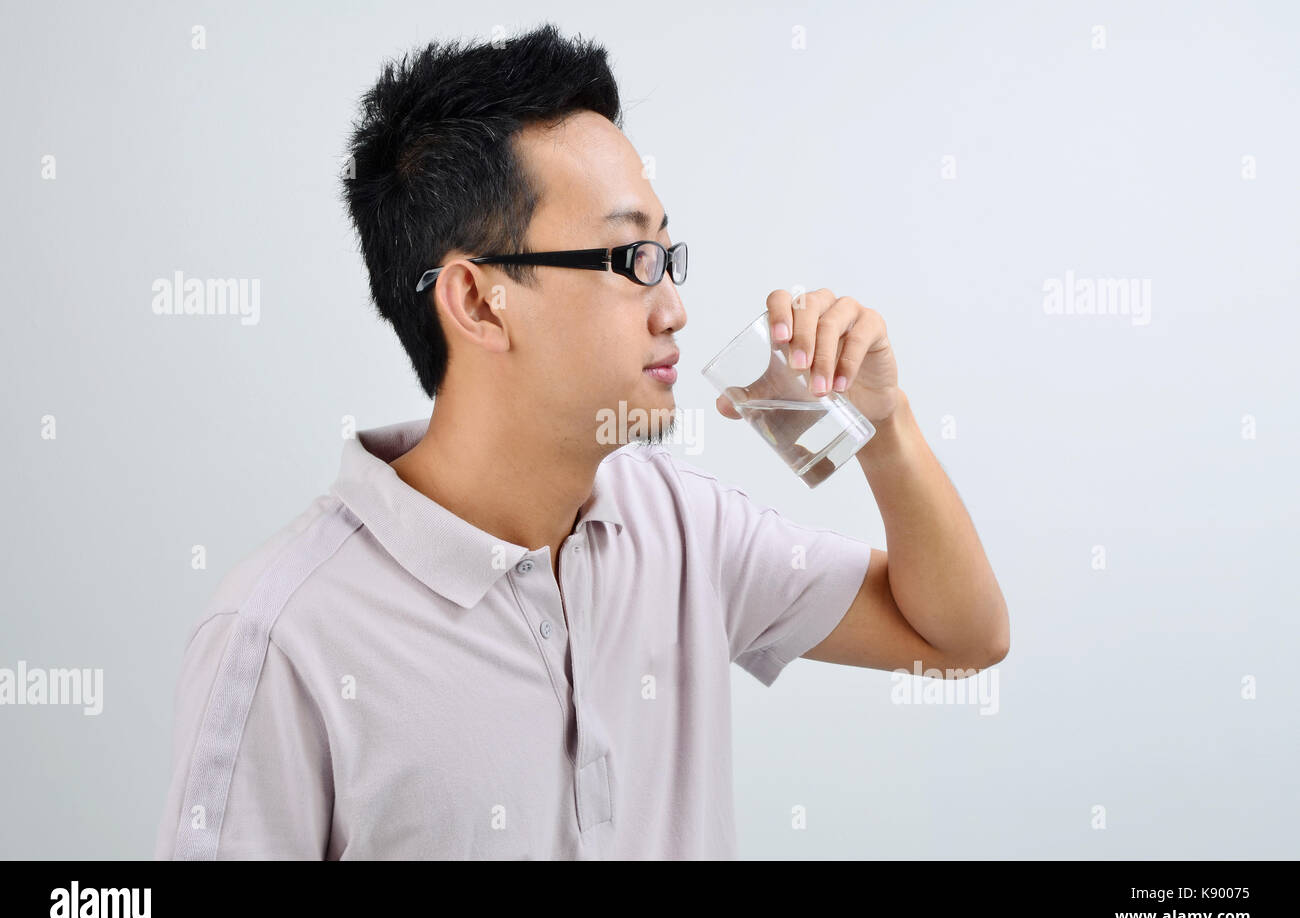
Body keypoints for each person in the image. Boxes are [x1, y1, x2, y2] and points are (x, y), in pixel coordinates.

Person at [154, 22, 1009, 860]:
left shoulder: (680, 526)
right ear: (480, 301)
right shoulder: (283, 635)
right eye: (631, 256)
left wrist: (883, 429)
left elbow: (960, 639)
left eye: (670, 255)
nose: (672, 305)